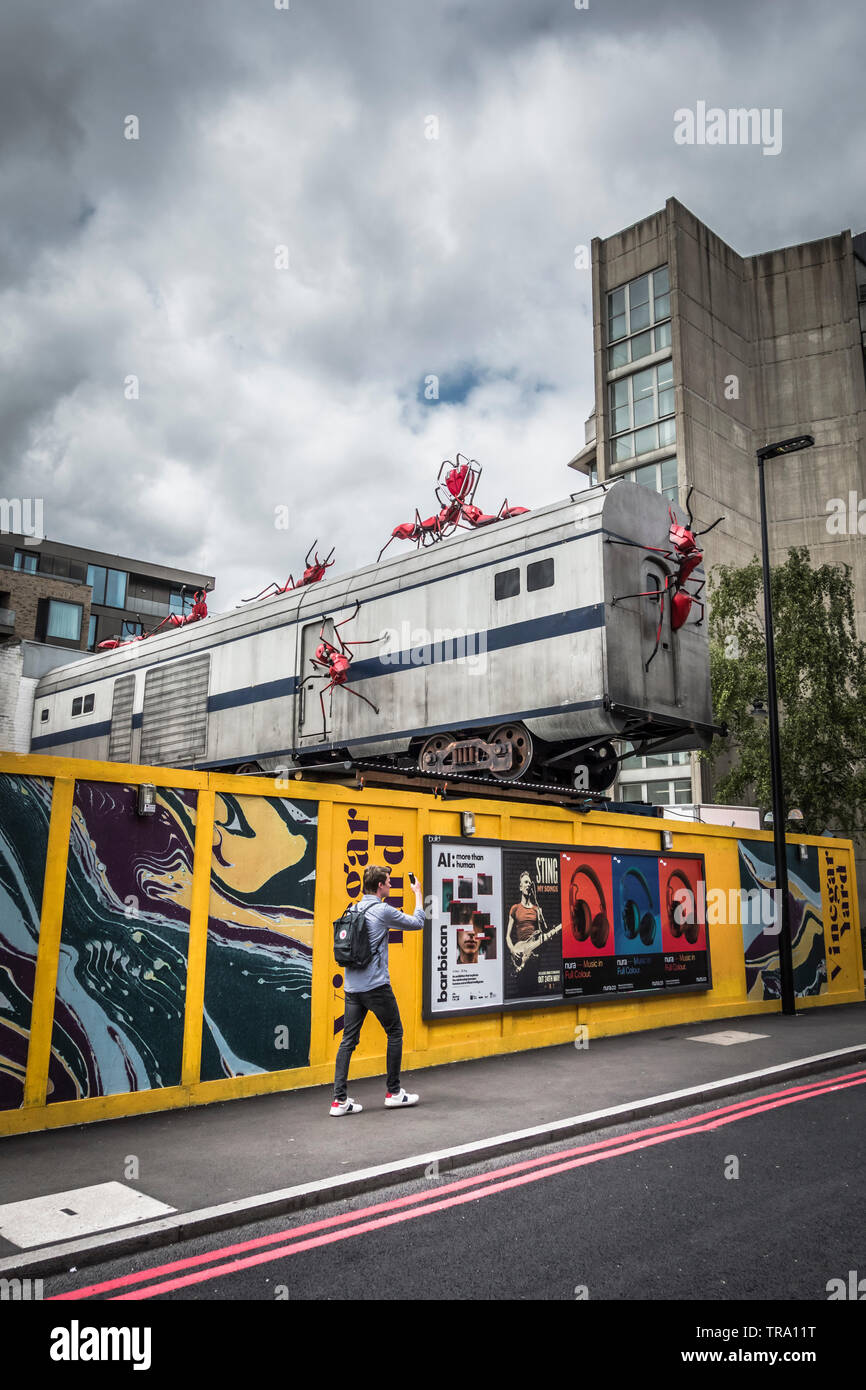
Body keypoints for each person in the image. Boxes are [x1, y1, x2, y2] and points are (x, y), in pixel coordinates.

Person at [331, 864, 425, 1116]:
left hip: (352, 987)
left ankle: (339, 1101)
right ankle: (394, 1093)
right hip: (376, 986)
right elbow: (418, 923)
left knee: (348, 1041)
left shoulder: (353, 908)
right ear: (380, 886)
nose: (391, 885)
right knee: (395, 1032)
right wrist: (417, 892)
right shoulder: (382, 910)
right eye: (389, 882)